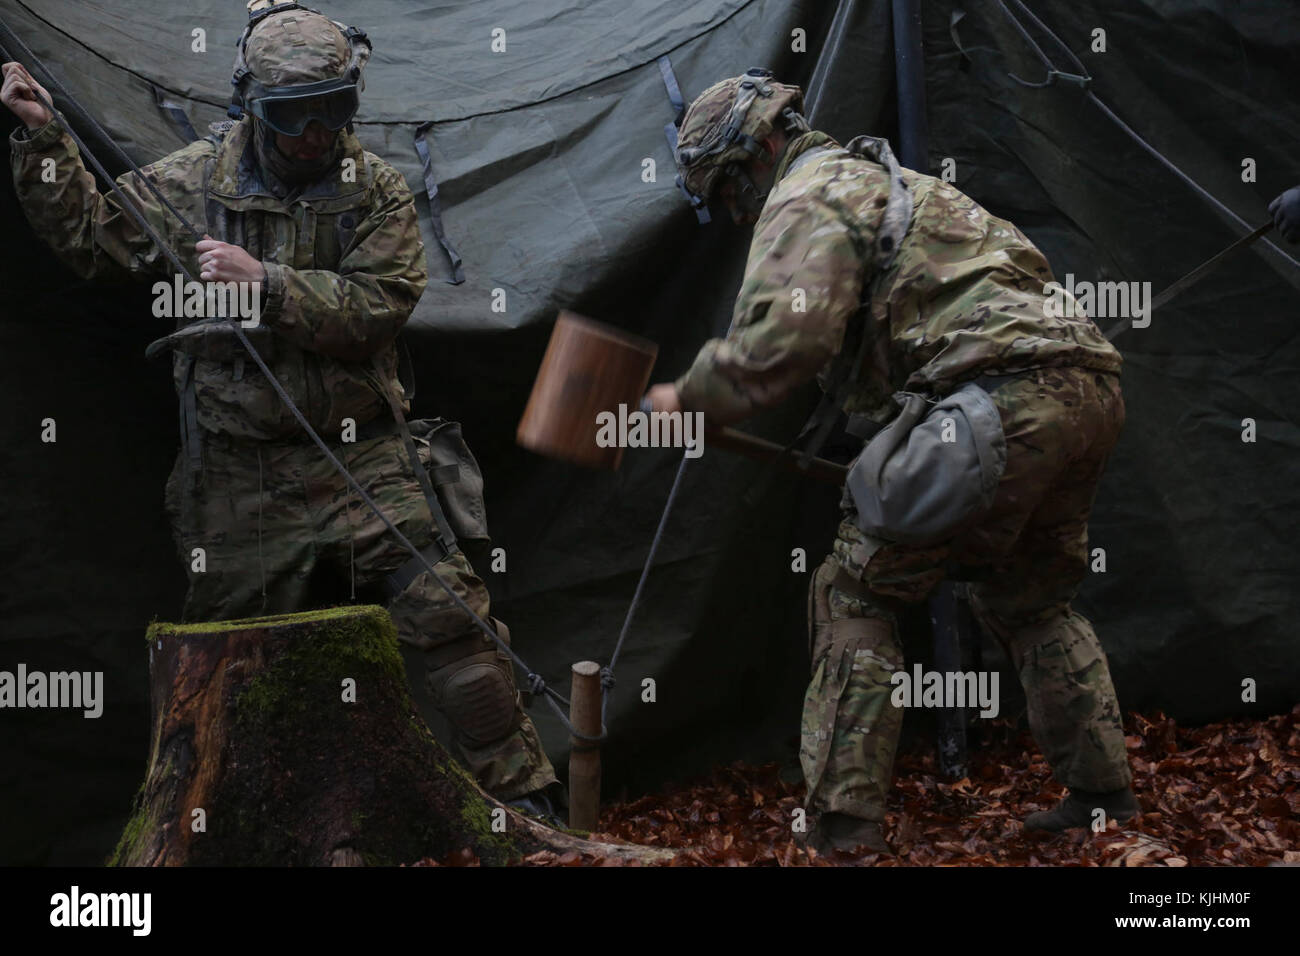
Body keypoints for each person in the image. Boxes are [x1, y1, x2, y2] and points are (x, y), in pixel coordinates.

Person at [3, 2, 562, 818]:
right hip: (239, 471)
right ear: (251, 105)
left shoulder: (371, 189)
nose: (311, 133)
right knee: (223, 674)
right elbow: (92, 237)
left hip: (362, 455)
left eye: (331, 109)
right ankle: (217, 829)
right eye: (291, 114)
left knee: (453, 625)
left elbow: (382, 303)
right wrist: (42, 140)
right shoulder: (198, 180)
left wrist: (262, 284)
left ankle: (529, 813)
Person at [646, 69, 1137, 853]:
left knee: (854, 592)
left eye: (735, 186)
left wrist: (684, 400)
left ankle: (842, 829)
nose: (739, 209)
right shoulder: (897, 183)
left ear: (766, 147)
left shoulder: (807, 192)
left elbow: (787, 340)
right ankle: (1103, 796)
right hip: (1084, 387)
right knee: (1031, 597)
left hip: (993, 398)